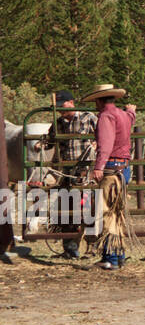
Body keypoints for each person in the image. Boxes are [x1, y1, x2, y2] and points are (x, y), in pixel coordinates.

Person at [81, 84, 137, 269]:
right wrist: (131, 111)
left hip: (111, 169)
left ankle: (110, 259)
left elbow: (105, 144)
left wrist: (98, 166)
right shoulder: (122, 114)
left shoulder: (105, 117)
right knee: (117, 213)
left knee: (106, 212)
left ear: (99, 100)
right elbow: (130, 118)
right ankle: (118, 255)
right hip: (123, 169)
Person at [54, 90, 97, 259]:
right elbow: (51, 140)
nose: (61, 110)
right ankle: (70, 248)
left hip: (86, 171)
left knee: (89, 207)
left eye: (63, 106)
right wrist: (41, 144)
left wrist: (97, 143)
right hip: (67, 172)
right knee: (67, 209)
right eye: (58, 107)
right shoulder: (59, 123)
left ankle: (92, 246)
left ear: (71, 102)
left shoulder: (89, 117)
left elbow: (105, 134)